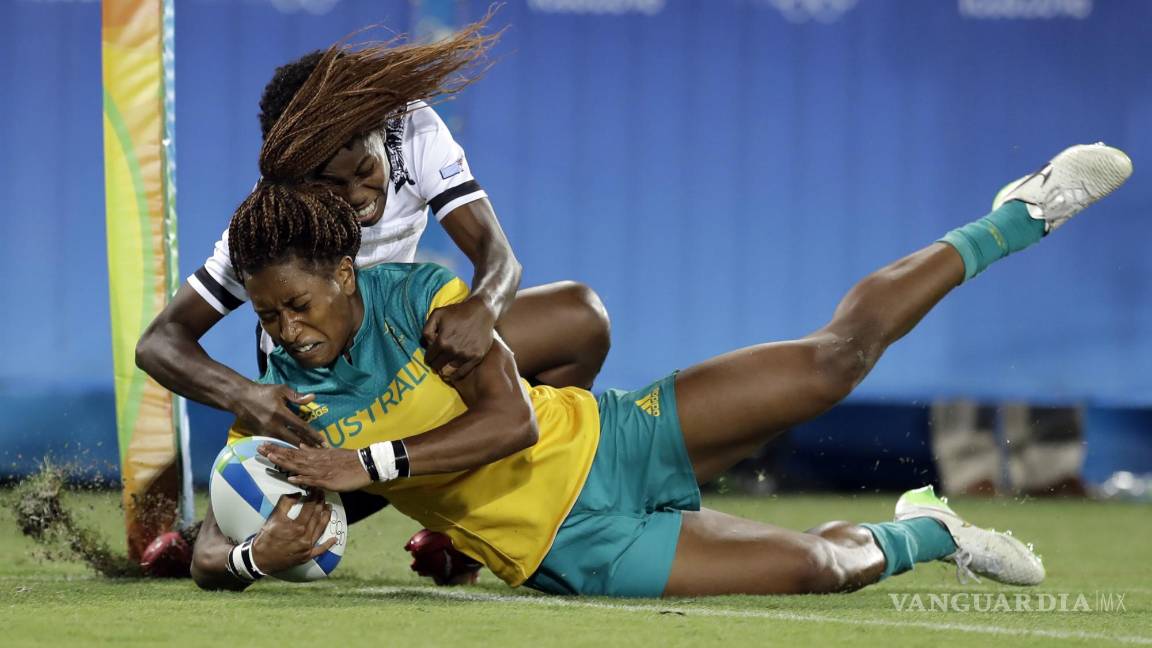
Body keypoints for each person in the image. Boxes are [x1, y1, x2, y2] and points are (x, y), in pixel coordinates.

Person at [189, 122, 1132, 593]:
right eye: (268, 316)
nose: (286, 332)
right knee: (816, 568)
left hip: (617, 437)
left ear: (348, 276)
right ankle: (932, 530)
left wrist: (366, 466)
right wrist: (249, 556)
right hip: (574, 545)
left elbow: (512, 419)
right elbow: (208, 544)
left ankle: (1019, 215)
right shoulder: (281, 403)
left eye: (299, 306)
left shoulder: (424, 298)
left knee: (832, 362)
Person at [137, 17, 606, 583]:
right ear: (294, 178)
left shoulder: (414, 131)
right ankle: (221, 536)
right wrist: (250, 396)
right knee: (318, 484)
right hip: (327, 390)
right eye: (335, 187)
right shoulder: (273, 222)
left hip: (408, 348)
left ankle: (474, 524)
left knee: (580, 319)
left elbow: (496, 254)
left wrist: (482, 307)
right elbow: (160, 341)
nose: (362, 198)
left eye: (365, 171)